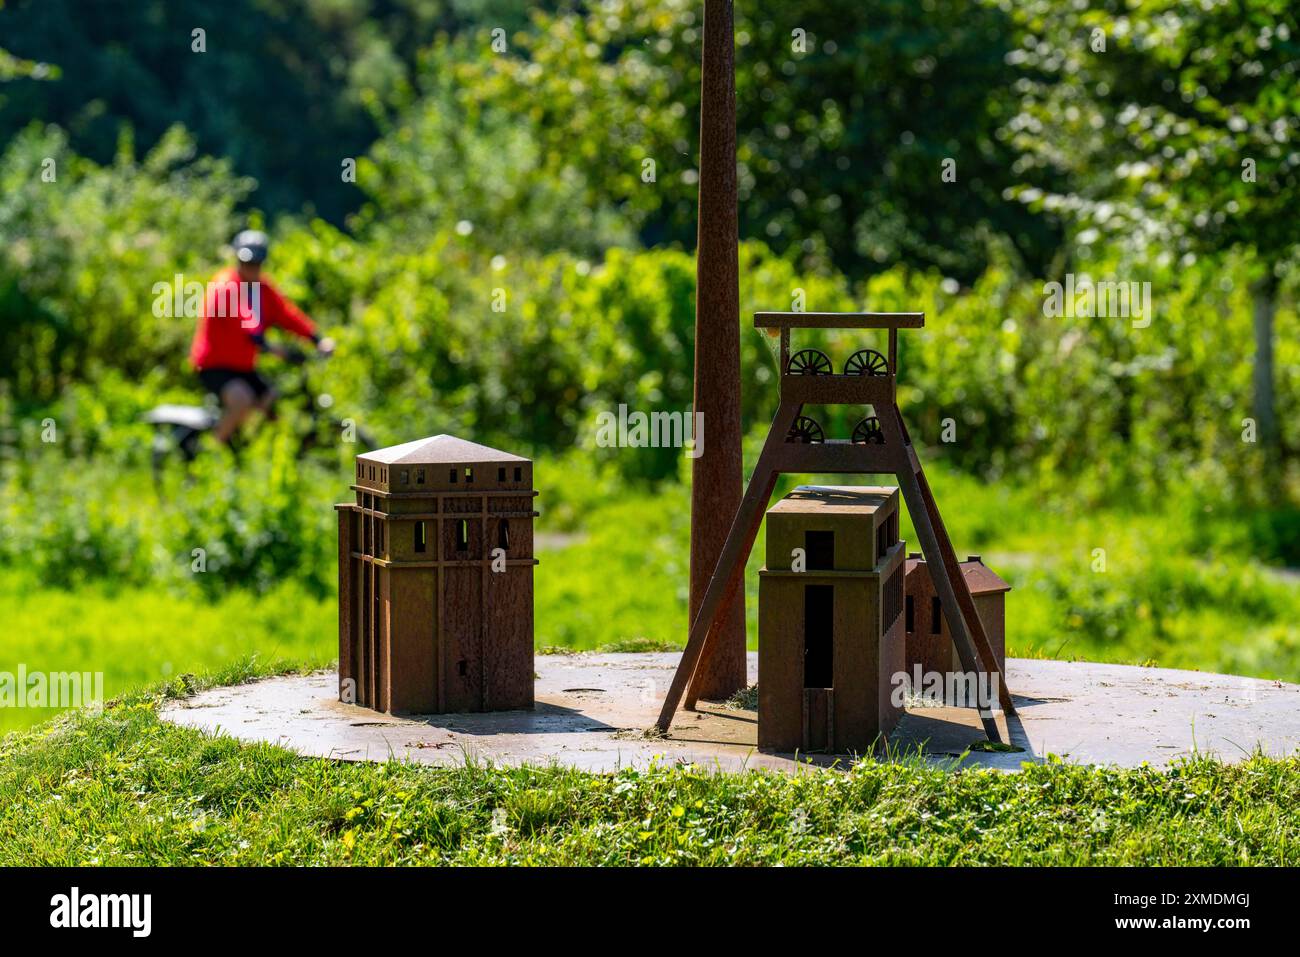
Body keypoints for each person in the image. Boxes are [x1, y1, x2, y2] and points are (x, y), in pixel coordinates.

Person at [189, 230, 334, 445]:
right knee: (242, 400)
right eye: (247, 263)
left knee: (271, 398)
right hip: (214, 365)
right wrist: (272, 348)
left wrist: (317, 339)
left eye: (256, 263)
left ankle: (246, 443)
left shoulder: (263, 288)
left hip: (244, 365)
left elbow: (287, 315)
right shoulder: (226, 285)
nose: (251, 268)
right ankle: (213, 449)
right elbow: (245, 320)